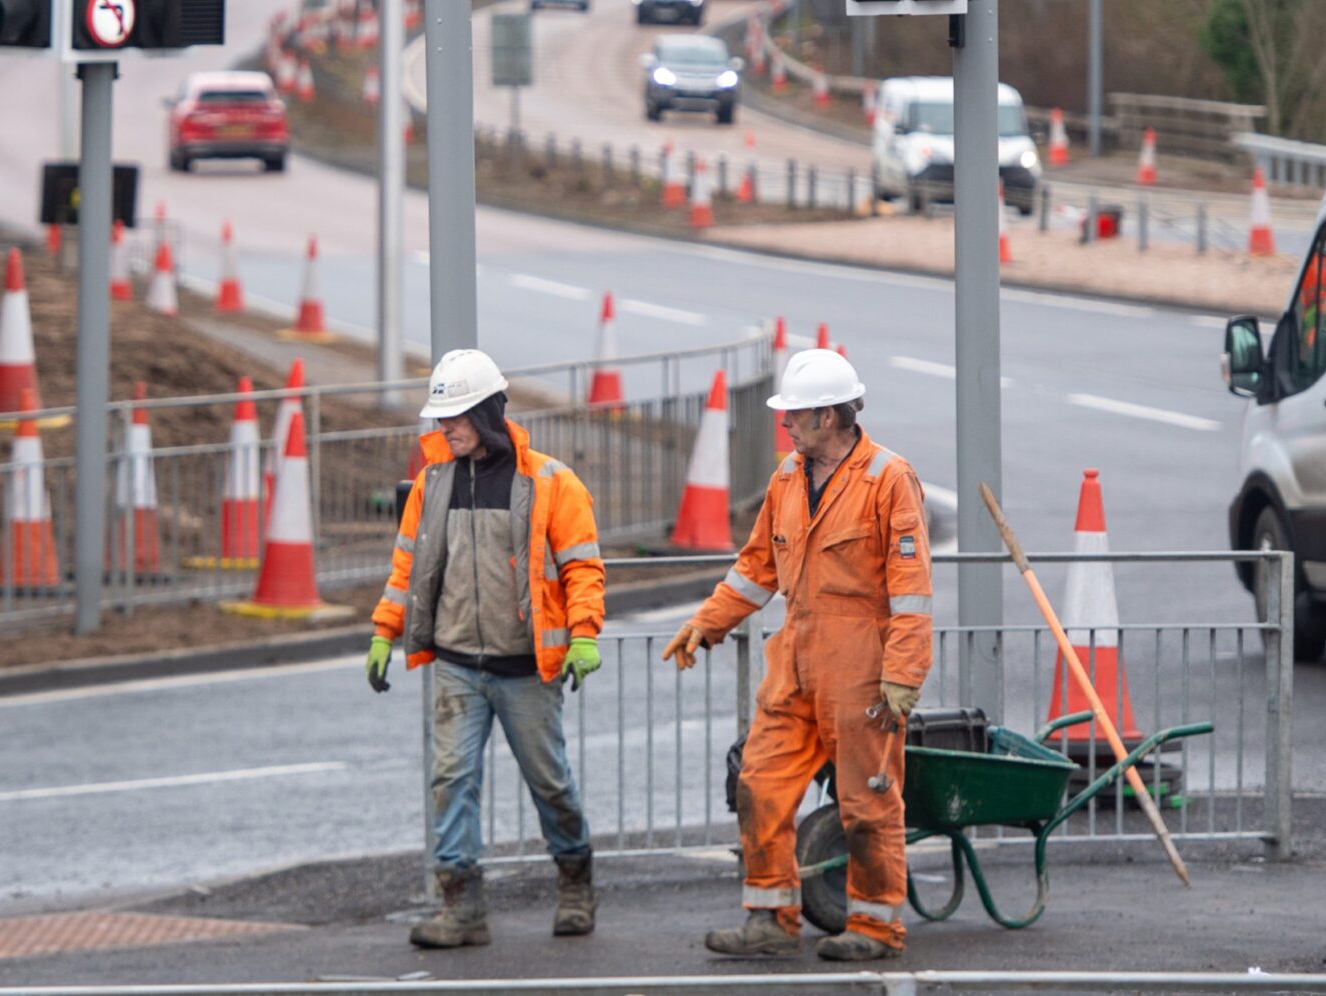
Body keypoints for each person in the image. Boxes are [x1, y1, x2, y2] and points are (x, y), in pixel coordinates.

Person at [663, 348, 932, 962]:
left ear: (831, 417)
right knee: (760, 786)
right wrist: (707, 623)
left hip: (861, 669)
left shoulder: (889, 480)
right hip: (796, 664)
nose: (786, 424)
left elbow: (912, 593)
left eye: (797, 415)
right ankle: (770, 917)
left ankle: (876, 926)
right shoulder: (788, 476)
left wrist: (901, 675)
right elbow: (758, 567)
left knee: (866, 801)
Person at [367, 347, 606, 948]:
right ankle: (461, 907)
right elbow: (408, 567)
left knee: (548, 782)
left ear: (490, 412)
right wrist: (383, 630)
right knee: (451, 779)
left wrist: (583, 637)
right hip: (456, 666)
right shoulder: (433, 481)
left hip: (526, 669)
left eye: (455, 419)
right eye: (440, 421)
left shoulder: (551, 482)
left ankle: (576, 880)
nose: (444, 430)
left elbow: (582, 568)